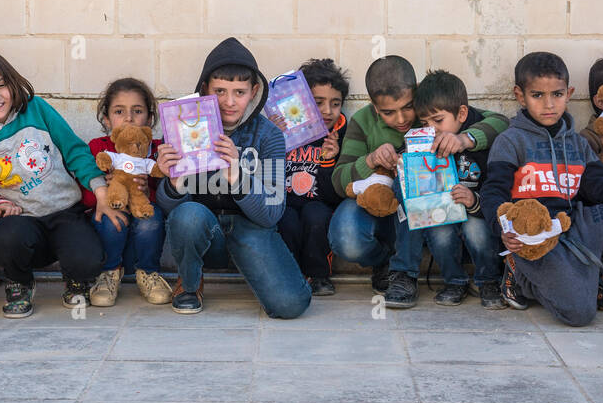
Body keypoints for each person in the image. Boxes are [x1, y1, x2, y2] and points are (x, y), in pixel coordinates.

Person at [480, 51, 603, 326]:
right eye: (537, 95)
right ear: (520, 95)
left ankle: (599, 278)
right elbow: (493, 192)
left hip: (573, 225)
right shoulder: (511, 142)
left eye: (557, 95)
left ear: (569, 93)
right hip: (535, 238)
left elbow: (599, 190)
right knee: (579, 314)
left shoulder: (578, 144)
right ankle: (518, 272)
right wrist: (503, 228)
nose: (549, 104)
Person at [328, 54, 509, 308]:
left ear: (416, 94)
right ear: (375, 106)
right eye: (389, 113)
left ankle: (405, 275)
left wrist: (465, 138)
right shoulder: (363, 122)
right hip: (380, 204)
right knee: (347, 238)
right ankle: (388, 264)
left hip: (434, 204)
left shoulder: (431, 111)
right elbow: (338, 181)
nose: (402, 119)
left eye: (407, 107)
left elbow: (499, 122)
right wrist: (370, 160)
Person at [0, 49, 110, 319]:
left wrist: (100, 190)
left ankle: (76, 279)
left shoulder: (36, 108)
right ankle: (20, 282)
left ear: (12, 82)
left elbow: (74, 151)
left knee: (88, 259)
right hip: (22, 222)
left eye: (1, 85)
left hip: (65, 213)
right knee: (6, 236)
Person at [154, 37, 310, 318]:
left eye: (239, 92)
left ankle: (264, 270)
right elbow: (170, 213)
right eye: (220, 91)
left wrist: (238, 178)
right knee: (188, 215)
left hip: (250, 228)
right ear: (205, 89)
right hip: (204, 231)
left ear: (254, 91)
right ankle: (189, 283)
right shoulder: (182, 126)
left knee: (291, 306)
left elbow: (272, 213)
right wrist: (173, 183)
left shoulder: (269, 135)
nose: (228, 102)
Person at [411, 69, 506, 308]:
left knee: (476, 229)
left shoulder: (480, 129)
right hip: (441, 210)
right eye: (425, 123)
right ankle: (455, 281)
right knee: (438, 233)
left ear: (462, 113)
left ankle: (488, 280)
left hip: (477, 208)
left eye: (438, 120)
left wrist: (474, 201)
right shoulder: (424, 141)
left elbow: (504, 123)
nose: (431, 129)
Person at [82, 77, 172, 307]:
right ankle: (109, 273)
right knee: (112, 219)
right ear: (107, 119)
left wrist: (146, 189)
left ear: (150, 120)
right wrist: (104, 186)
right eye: (119, 111)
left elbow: (166, 192)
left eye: (138, 111)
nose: (129, 118)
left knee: (151, 218)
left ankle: (148, 273)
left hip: (144, 230)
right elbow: (85, 197)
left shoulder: (157, 150)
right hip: (110, 225)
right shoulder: (98, 148)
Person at [278, 58, 349, 297]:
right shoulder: (282, 129)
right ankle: (291, 274)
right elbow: (268, 177)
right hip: (286, 201)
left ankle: (319, 275)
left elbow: (335, 194)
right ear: (301, 101)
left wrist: (329, 160)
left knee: (316, 215)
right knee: (285, 220)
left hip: (320, 202)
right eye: (318, 102)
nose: (328, 111)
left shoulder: (340, 135)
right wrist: (275, 140)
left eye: (335, 103)